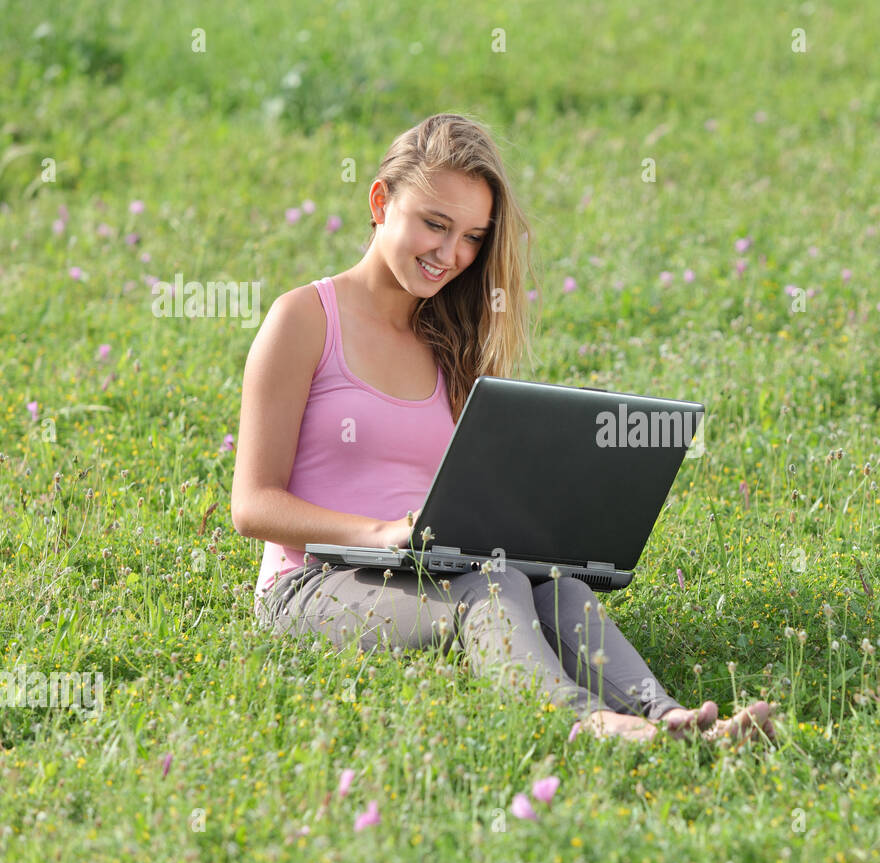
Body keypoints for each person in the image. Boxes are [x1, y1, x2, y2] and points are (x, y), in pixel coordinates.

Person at [230, 113, 775, 745]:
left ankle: (671, 718)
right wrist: (377, 534)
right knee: (489, 583)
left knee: (554, 585)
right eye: (434, 224)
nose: (449, 254)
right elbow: (253, 505)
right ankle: (582, 724)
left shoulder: (451, 343)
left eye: (470, 237)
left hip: (427, 564)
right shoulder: (304, 318)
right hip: (310, 583)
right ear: (380, 201)